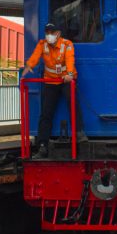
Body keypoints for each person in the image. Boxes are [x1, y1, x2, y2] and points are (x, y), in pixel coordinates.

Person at [22, 23, 87, 158]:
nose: (49, 35)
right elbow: (35, 56)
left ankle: (79, 133)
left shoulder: (67, 44)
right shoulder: (42, 44)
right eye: (47, 32)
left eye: (51, 32)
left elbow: (70, 59)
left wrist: (70, 74)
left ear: (58, 34)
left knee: (73, 103)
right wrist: (29, 66)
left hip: (66, 80)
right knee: (46, 113)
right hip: (50, 81)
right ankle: (42, 146)